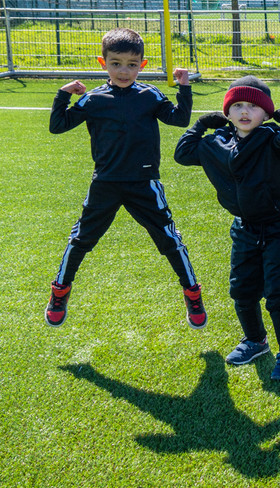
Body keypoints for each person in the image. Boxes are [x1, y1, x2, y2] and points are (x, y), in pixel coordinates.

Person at [46, 27, 205, 330]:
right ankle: (60, 292)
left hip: (144, 184)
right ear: (102, 61)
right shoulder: (92, 99)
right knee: (80, 240)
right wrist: (63, 94)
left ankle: (192, 294)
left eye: (132, 64)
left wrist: (184, 88)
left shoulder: (149, 95)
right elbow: (58, 125)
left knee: (170, 240)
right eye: (116, 63)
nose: (123, 70)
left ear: (142, 65)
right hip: (105, 183)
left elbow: (178, 119)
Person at [174, 77, 280, 380]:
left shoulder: (270, 138)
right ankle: (255, 340)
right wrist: (203, 122)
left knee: (277, 294)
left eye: (254, 107)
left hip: (279, 226)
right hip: (244, 228)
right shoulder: (215, 143)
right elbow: (182, 153)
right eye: (238, 106)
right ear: (228, 113)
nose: (245, 112)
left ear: (265, 114)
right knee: (241, 290)